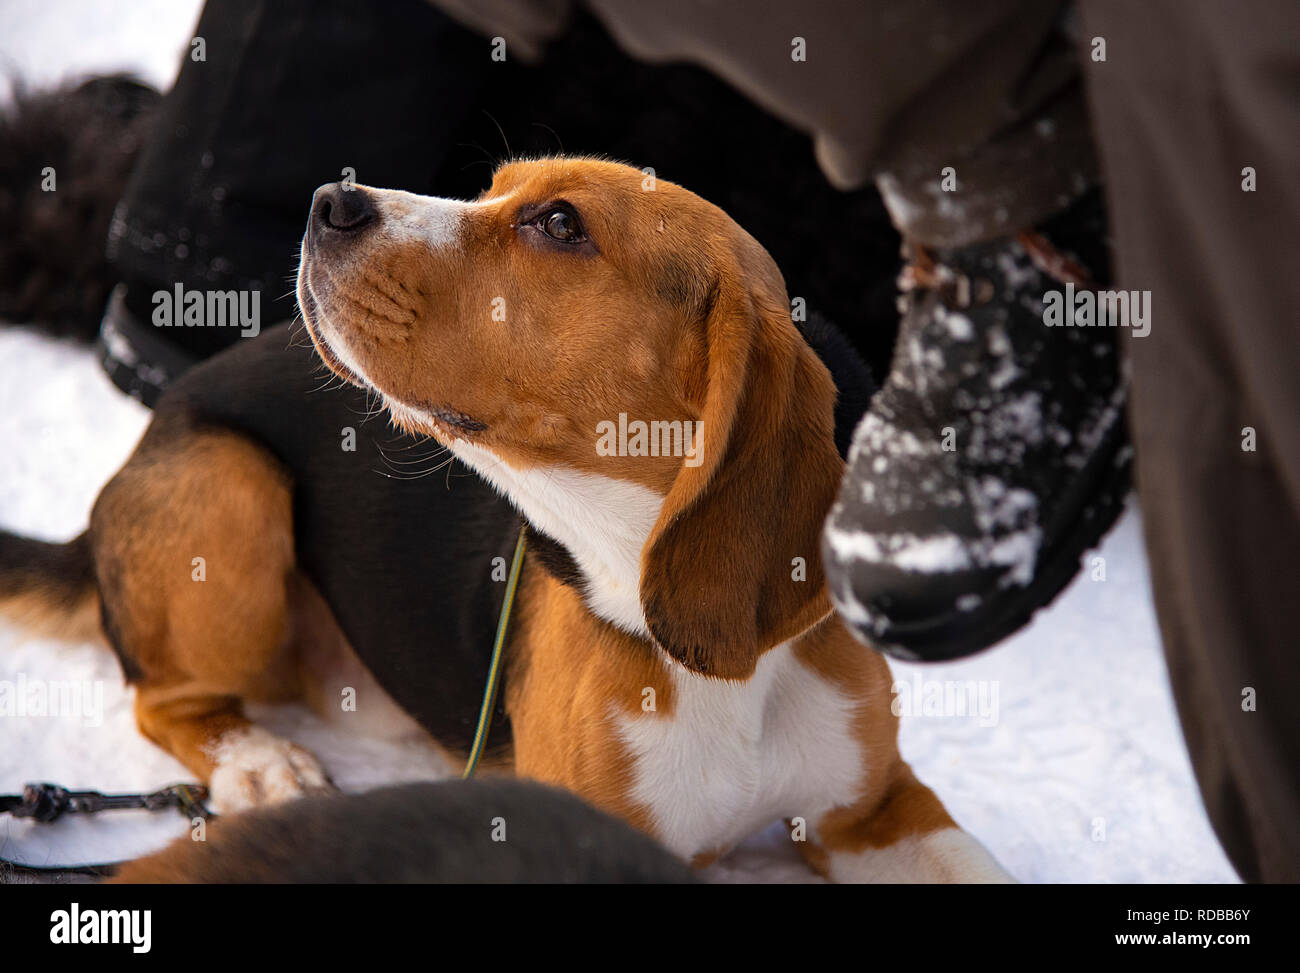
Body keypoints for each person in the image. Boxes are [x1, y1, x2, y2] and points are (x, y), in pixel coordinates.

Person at [89, 0, 1297, 882]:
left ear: (712, 385)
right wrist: (222, 739)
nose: (365, 211)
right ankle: (194, 705)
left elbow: (867, 807)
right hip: (253, 486)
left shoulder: (806, 604)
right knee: (213, 492)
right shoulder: (584, 710)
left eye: (550, 228)